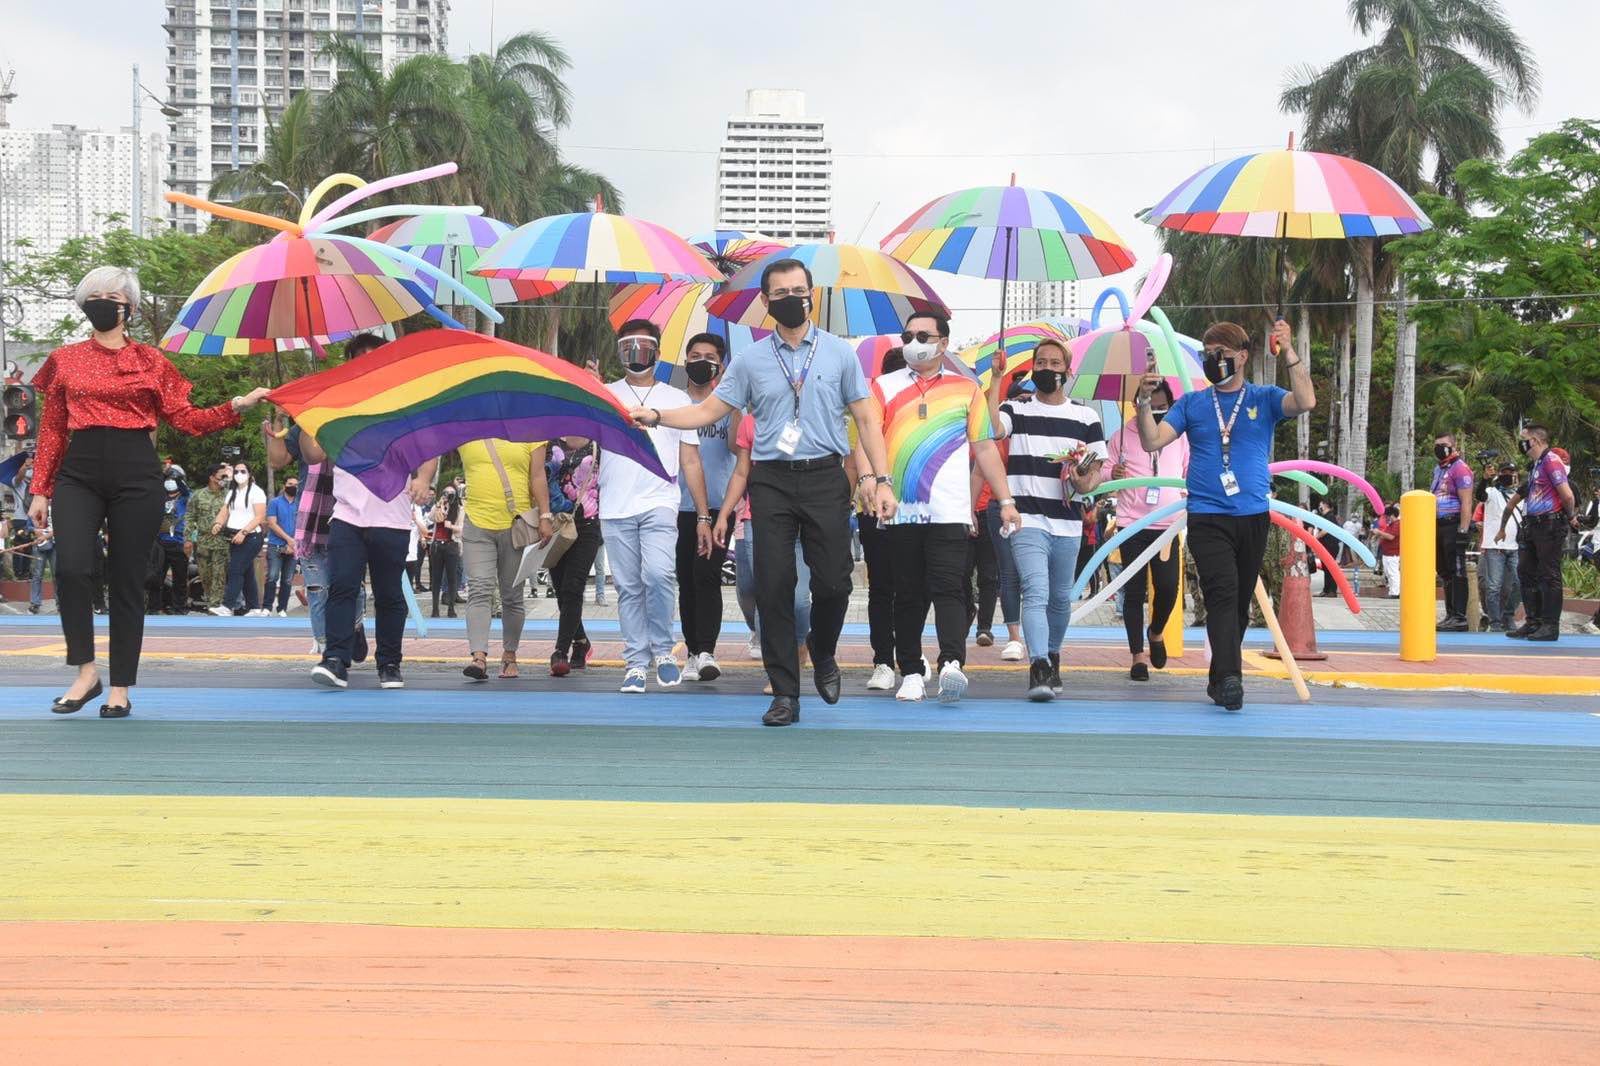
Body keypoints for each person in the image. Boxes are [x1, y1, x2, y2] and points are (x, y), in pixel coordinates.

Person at [632, 257, 897, 726]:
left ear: (811, 295)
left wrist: (880, 479)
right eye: (780, 293)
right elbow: (709, 409)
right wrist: (658, 416)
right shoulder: (752, 360)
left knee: (835, 581)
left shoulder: (839, 353)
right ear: (766, 302)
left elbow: (866, 418)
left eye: (799, 290)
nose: (792, 299)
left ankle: (823, 648)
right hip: (771, 479)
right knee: (774, 586)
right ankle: (786, 693)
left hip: (824, 477)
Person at [26, 265, 268, 717]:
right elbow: (54, 429)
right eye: (93, 293)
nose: (101, 299)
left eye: (111, 294)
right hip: (79, 470)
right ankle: (85, 671)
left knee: (126, 578)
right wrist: (40, 489)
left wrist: (237, 406)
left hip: (137, 471)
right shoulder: (64, 358)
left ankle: (120, 685)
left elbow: (188, 420)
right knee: (74, 568)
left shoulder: (153, 362)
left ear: (130, 307)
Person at [1133, 319, 1315, 711]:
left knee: (1238, 604)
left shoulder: (1264, 398)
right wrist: (1143, 403)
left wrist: (1290, 352)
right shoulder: (1192, 403)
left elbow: (1305, 402)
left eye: (1222, 356)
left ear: (1243, 357)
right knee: (1222, 593)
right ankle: (1232, 678)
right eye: (1207, 356)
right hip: (1207, 514)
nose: (1214, 362)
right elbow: (1152, 439)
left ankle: (1219, 677)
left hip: (1252, 515)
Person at [871, 311, 1017, 703]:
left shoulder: (965, 388)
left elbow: (984, 448)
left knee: (950, 588)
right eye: (909, 335)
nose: (915, 341)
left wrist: (1005, 501)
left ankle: (952, 664)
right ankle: (913, 673)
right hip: (902, 509)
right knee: (909, 594)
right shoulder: (882, 387)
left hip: (949, 510)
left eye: (924, 335)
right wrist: (868, 483)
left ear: (943, 343)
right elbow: (868, 442)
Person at [293, 334, 436, 690]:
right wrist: (309, 414)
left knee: (389, 594)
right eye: (361, 360)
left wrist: (423, 478)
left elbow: (429, 448)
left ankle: (389, 664)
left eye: (376, 358)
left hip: (391, 515)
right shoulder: (337, 405)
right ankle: (336, 661)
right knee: (340, 588)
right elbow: (313, 455)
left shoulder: (405, 405)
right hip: (347, 516)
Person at [990, 338, 1107, 702]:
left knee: (1059, 597)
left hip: (1068, 521)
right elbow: (991, 428)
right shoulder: (1016, 409)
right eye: (1041, 362)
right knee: (1036, 591)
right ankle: (1038, 664)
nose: (1047, 369)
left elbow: (1095, 475)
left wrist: (1081, 477)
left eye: (1055, 363)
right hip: (1026, 519)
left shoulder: (1086, 417)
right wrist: (996, 379)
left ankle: (1053, 653)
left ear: (1067, 371)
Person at [604, 319, 709, 694]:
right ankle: (636, 661)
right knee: (629, 587)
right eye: (628, 348)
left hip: (660, 501)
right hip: (614, 505)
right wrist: (582, 394)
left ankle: (663, 650)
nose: (636, 356)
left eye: (643, 348)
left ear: (658, 354)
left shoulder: (678, 400)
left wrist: (702, 514)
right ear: (618, 352)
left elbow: (691, 461)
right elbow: (571, 439)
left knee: (660, 575)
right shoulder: (604, 394)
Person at [713, 412, 815, 686]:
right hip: (759, 519)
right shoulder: (751, 420)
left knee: (798, 600)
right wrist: (724, 514)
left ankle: (800, 642)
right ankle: (779, 670)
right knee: (766, 597)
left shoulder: (813, 414)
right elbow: (742, 471)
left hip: (804, 519)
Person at [1107, 379, 1190, 681]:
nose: (1156, 412)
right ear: (1136, 404)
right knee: (1134, 591)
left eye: (1161, 407)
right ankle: (1137, 656)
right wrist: (1112, 472)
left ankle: (1155, 633)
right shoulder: (1121, 435)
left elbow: (1188, 472)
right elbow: (1105, 473)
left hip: (1168, 524)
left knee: (1168, 588)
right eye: (1149, 405)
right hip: (1132, 523)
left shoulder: (1179, 436)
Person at [457, 438, 551, 681]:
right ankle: (478, 657)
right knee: (479, 589)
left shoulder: (531, 429)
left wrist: (545, 515)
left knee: (512, 595)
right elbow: (432, 442)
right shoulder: (467, 426)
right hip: (477, 524)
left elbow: (538, 476)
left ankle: (510, 655)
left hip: (515, 525)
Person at [676, 333, 737, 683]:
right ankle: (692, 651)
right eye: (695, 355)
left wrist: (741, 405)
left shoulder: (727, 405)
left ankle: (707, 651)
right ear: (686, 361)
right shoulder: (675, 403)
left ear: (720, 365)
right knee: (686, 579)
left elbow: (734, 446)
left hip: (717, 507)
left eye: (709, 356)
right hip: (677, 506)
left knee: (707, 576)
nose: (701, 361)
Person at [1497, 425, 1577, 642]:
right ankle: (1534, 622)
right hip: (1533, 525)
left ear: (1535, 440)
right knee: (1526, 571)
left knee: (1548, 575)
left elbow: (1567, 496)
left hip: (1549, 523)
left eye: (1524, 439)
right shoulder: (1536, 465)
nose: (1522, 443)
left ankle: (1550, 625)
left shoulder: (1551, 461)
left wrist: (1570, 517)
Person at [855, 345, 906, 691]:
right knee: (882, 589)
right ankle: (884, 661)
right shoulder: (869, 405)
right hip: (874, 509)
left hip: (916, 509)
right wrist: (863, 483)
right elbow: (856, 450)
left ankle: (910, 656)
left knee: (912, 588)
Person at [548, 438, 602, 675]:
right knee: (560, 589)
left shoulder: (598, 443)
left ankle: (560, 652)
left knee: (573, 586)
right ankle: (581, 642)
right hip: (556, 524)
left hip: (588, 522)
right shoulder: (550, 441)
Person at [1429, 433, 1474, 631]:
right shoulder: (1438, 470)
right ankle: (1450, 613)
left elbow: (1466, 501)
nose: (1440, 448)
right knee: (1444, 570)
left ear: (1454, 447)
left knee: (1457, 569)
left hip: (1453, 523)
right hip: (1437, 524)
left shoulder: (1460, 469)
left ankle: (1459, 615)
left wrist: (1463, 530)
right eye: (1437, 445)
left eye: (1444, 445)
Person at [216, 461, 267, 616]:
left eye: (243, 471)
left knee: (235, 569)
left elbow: (259, 516)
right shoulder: (232, 492)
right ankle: (254, 607)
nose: (239, 475)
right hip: (233, 535)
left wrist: (244, 532)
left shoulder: (256, 492)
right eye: (236, 471)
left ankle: (227, 605)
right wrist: (218, 523)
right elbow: (224, 511)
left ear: (250, 474)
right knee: (247, 572)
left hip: (251, 536)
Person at [1477, 461, 1523, 630]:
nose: (1508, 475)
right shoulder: (1491, 492)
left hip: (1515, 547)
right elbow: (1480, 495)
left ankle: (1508, 615)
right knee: (1493, 586)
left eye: (1511, 472)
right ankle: (1494, 622)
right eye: (1504, 472)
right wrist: (1484, 479)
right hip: (1494, 548)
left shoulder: (1521, 495)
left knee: (1519, 583)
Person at [187, 462, 232, 612]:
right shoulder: (198, 495)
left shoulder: (230, 495)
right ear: (212, 477)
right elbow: (190, 517)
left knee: (219, 575)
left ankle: (215, 606)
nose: (225, 479)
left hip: (222, 541)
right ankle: (210, 600)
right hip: (203, 541)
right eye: (222, 476)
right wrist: (187, 538)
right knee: (205, 575)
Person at [151, 476, 190, 614]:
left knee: (179, 578)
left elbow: (185, 490)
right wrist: (163, 475)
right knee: (156, 576)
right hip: (160, 542)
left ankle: (179, 608)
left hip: (178, 542)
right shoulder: (160, 497)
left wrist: (177, 477)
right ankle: (155, 607)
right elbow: (154, 486)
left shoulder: (184, 498)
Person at [262, 475, 299, 617]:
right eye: (290, 483)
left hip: (294, 546)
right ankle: (266, 607)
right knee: (272, 576)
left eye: (296, 484)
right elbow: (272, 523)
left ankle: (282, 608)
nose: (293, 487)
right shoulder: (275, 503)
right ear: (284, 485)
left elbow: (301, 525)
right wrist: (288, 539)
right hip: (275, 545)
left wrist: (293, 542)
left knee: (288, 579)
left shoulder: (300, 503)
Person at [428, 484, 464, 618]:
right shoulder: (438, 506)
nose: (448, 496)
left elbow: (461, 528)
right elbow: (431, 518)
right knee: (436, 577)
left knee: (452, 577)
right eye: (445, 492)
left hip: (451, 544)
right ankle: (435, 609)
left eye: (451, 493)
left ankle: (451, 608)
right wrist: (438, 506)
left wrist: (451, 526)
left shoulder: (459, 509)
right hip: (437, 544)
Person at [27, 501, 55, 615]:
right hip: (39, 545)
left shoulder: (58, 507)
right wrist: (35, 530)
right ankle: (35, 603)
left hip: (55, 545)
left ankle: (60, 603)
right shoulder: (35, 506)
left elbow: (62, 526)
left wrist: (46, 536)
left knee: (57, 574)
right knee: (37, 575)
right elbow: (28, 526)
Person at [1376, 504, 1402, 597]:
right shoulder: (1391, 525)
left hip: (1393, 553)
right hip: (1387, 552)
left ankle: (1395, 592)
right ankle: (1392, 591)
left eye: (1387, 516)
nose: (1386, 518)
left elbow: (1391, 537)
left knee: (1393, 572)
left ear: (1392, 515)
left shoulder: (1397, 524)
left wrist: (1379, 532)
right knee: (1388, 572)